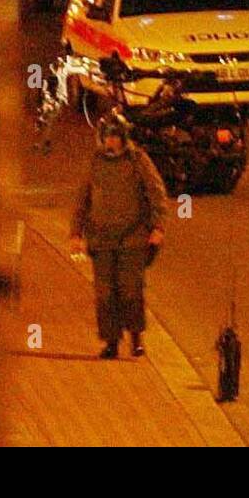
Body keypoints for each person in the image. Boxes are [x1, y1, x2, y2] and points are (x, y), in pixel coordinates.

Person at [70, 112, 169, 359]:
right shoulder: (95, 162)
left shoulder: (138, 161)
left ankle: (136, 337)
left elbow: (157, 194)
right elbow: (83, 198)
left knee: (130, 290)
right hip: (101, 239)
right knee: (105, 293)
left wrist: (158, 227)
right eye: (107, 137)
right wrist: (76, 232)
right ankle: (111, 341)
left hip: (132, 238)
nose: (111, 142)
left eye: (115, 137)